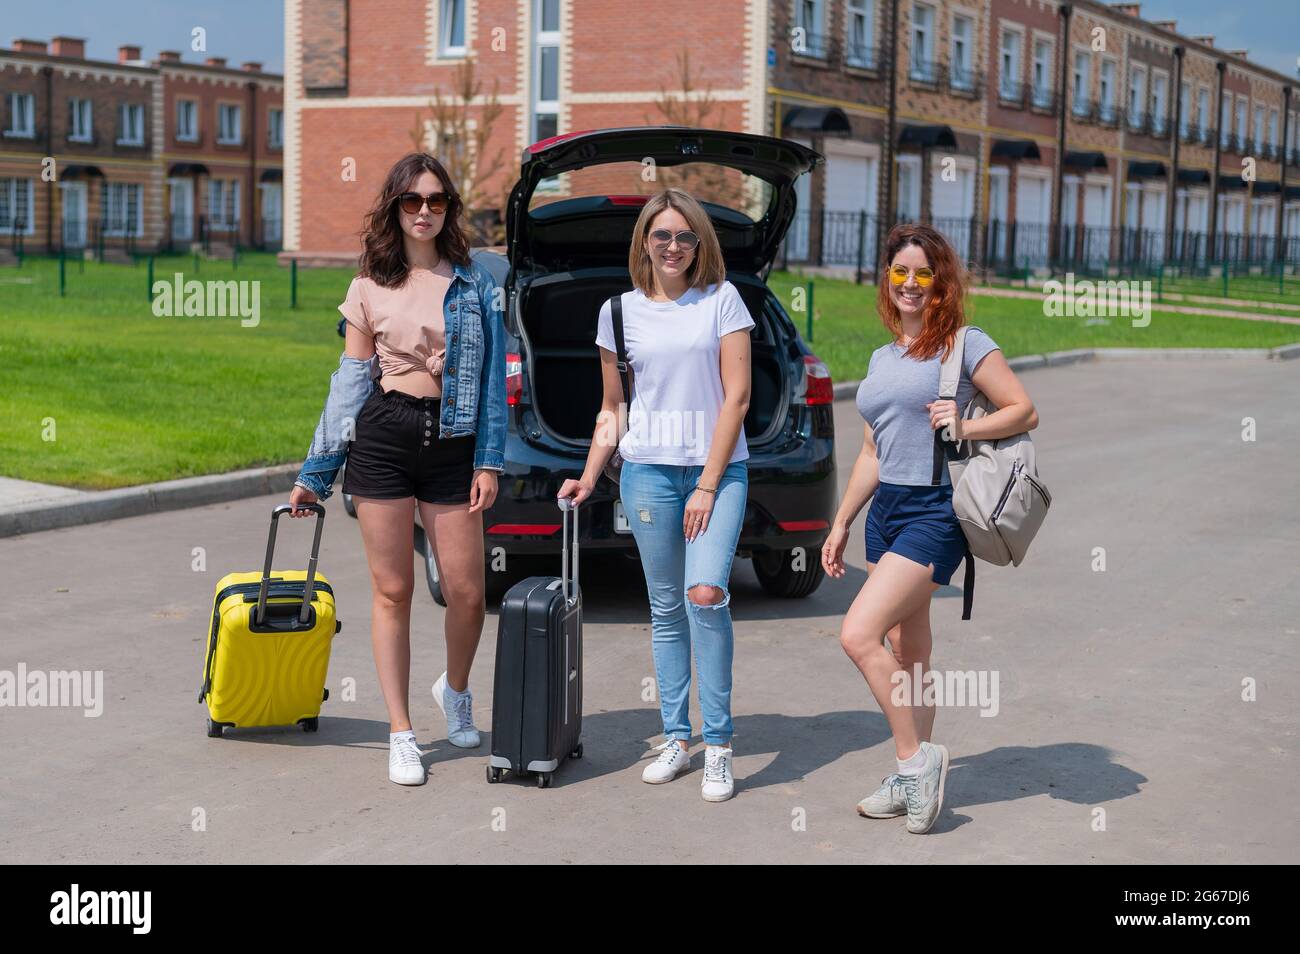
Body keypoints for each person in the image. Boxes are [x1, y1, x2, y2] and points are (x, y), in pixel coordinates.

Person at [289, 153, 506, 786]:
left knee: (467, 591)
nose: (424, 212)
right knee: (393, 592)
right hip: (383, 437)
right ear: (394, 208)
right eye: (412, 202)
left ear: (450, 209)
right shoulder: (368, 284)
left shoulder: (475, 282)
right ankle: (402, 731)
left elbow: (492, 381)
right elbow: (350, 382)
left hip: (453, 442)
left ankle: (456, 690)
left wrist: (489, 460)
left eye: (436, 201)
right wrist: (316, 470)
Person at [822, 223, 1039, 832]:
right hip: (887, 510)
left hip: (937, 511)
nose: (911, 284)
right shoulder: (881, 357)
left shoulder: (965, 345)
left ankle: (918, 761)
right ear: (887, 281)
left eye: (924, 273)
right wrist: (842, 521)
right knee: (906, 650)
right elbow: (872, 450)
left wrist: (965, 427)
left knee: (857, 634)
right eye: (900, 272)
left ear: (941, 281)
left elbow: (1024, 409)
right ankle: (909, 772)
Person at [557, 187, 753, 802]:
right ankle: (677, 737)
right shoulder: (617, 313)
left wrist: (706, 484)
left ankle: (718, 745)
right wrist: (590, 476)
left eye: (685, 236)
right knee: (666, 608)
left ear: (701, 244)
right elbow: (613, 408)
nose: (674, 246)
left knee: (706, 594)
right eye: (662, 235)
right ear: (645, 241)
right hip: (645, 473)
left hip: (714, 475)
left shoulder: (723, 300)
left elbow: (738, 397)